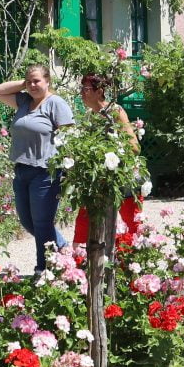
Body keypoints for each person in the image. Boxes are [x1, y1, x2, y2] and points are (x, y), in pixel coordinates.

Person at [0, 65, 74, 273]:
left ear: (48, 81)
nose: (32, 85)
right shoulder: (23, 101)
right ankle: (62, 248)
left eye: (37, 81)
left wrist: (69, 171)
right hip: (22, 170)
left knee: (42, 222)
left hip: (46, 171)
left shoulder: (55, 103)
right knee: (27, 221)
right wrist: (25, 84)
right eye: (29, 81)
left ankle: (43, 269)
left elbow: (70, 137)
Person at [71, 73, 141, 246]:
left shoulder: (115, 111)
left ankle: (137, 254)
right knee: (84, 219)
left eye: (86, 89)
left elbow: (134, 147)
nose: (82, 93)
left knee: (132, 220)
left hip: (122, 175)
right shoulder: (89, 115)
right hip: (96, 178)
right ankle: (78, 257)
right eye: (81, 88)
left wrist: (110, 155)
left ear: (99, 91)